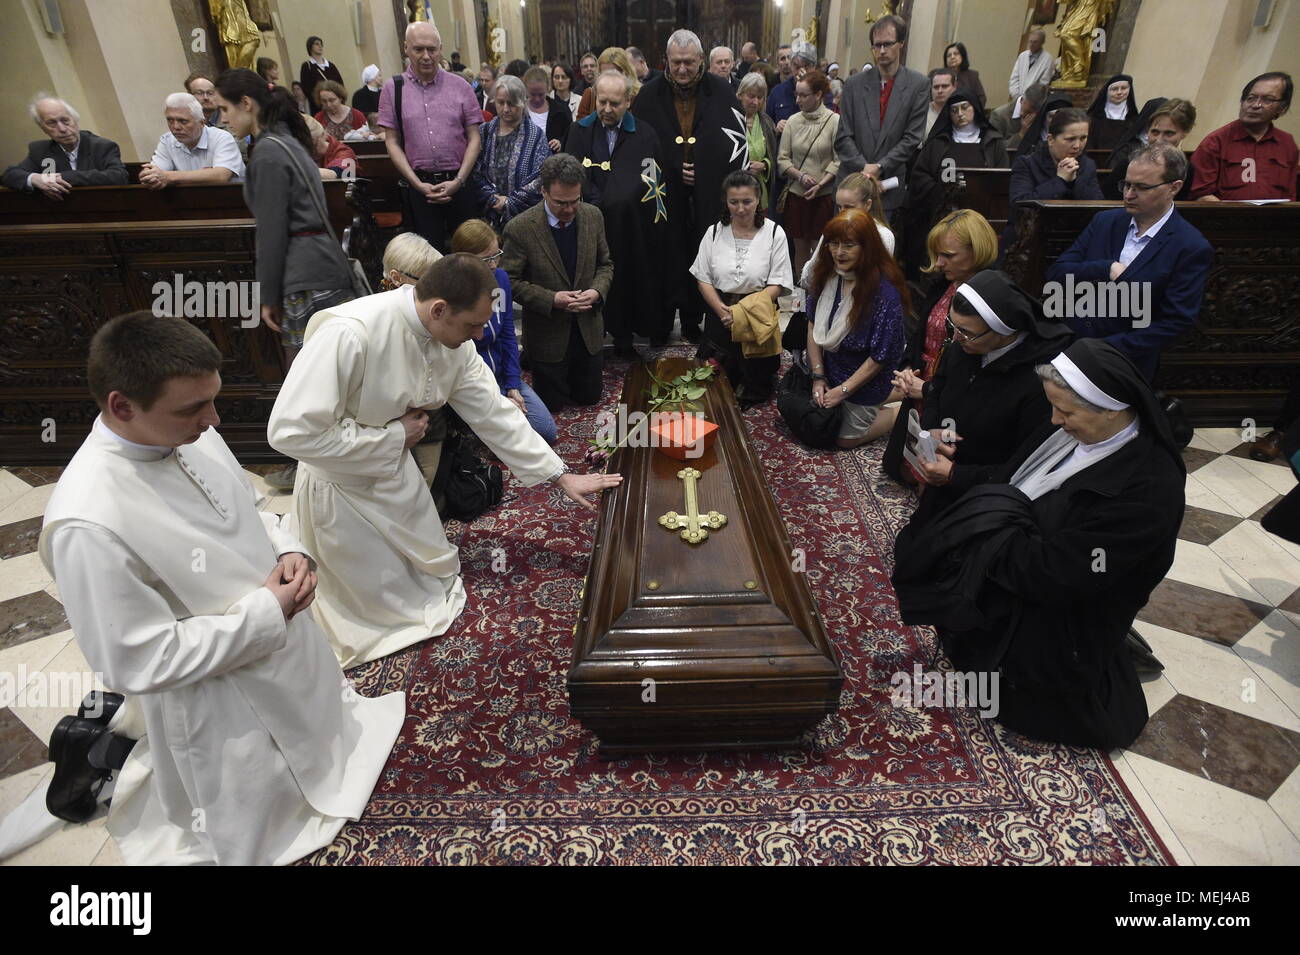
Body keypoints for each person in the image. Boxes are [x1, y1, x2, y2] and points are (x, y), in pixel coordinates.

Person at [39, 311, 404, 865]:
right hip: (222, 698)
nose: (212, 421)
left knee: (336, 741)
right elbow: (134, 661)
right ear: (121, 406)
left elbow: (248, 508)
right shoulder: (87, 522)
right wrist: (266, 613)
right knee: (272, 815)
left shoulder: (185, 432)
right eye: (192, 408)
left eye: (213, 400)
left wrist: (288, 549)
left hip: (288, 647)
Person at [268, 252, 619, 668]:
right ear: (438, 309)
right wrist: (394, 436)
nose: (477, 335)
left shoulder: (452, 340)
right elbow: (290, 432)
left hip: (395, 472)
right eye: (472, 324)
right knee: (375, 613)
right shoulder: (350, 333)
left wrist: (560, 476)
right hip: (340, 484)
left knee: (432, 581)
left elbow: (492, 409)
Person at [892, 338, 1186, 750]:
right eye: (1052, 406)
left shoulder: (1148, 489)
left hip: (1065, 606)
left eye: (1066, 411)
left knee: (1016, 695)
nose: (1053, 421)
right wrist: (967, 493)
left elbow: (1060, 574)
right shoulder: (1068, 434)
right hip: (1021, 563)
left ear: (1115, 410)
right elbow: (1008, 479)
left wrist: (982, 540)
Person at [215, 68, 355, 489]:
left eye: (224, 108)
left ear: (246, 104)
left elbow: (271, 231)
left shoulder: (269, 152)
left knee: (309, 379)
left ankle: (314, 468)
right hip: (325, 265)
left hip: (304, 274)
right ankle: (332, 462)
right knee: (331, 373)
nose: (221, 118)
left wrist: (267, 292)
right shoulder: (287, 142)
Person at [907, 269, 1072, 521]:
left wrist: (955, 475)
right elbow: (937, 391)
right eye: (952, 326)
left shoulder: (1041, 381)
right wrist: (933, 430)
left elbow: (1024, 465)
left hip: (989, 500)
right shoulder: (962, 347)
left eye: (966, 332)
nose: (955, 338)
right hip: (944, 483)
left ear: (1003, 330)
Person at [1046, 142, 1213, 381]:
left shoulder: (1190, 247)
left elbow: (1175, 322)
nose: (1128, 194)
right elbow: (1057, 273)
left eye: (1142, 187)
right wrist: (1104, 268)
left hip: (1125, 364)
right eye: (1126, 184)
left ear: (1174, 188)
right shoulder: (1105, 222)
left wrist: (1104, 350)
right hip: (1069, 348)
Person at [631, 29, 747, 344]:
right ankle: (661, 322)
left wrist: (705, 172)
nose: (682, 69)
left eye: (689, 63)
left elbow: (733, 144)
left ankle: (698, 320)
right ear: (665, 60)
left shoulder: (722, 92)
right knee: (665, 255)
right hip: (662, 196)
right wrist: (670, 171)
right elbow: (639, 146)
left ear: (700, 60)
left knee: (705, 255)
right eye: (676, 62)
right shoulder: (648, 95)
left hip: (708, 196)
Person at [881, 209, 999, 481]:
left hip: (953, 397)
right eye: (937, 255)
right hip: (923, 384)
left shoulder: (992, 295)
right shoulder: (942, 284)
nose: (938, 263)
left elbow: (981, 367)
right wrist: (909, 367)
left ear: (976, 251)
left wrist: (929, 390)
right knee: (903, 469)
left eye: (948, 256)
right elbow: (920, 333)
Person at [565, 70, 669, 355]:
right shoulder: (580, 130)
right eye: (602, 102)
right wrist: (602, 202)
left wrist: (622, 201)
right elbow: (573, 173)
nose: (607, 110)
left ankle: (624, 336)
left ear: (628, 101)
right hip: (587, 221)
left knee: (626, 280)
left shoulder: (645, 134)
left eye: (614, 103)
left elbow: (652, 181)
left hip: (631, 226)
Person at [501, 153, 614, 411]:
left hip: (588, 332)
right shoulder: (520, 229)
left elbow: (605, 264)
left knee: (589, 399)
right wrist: (552, 300)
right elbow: (510, 282)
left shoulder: (593, 216)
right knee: (552, 406)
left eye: (576, 201)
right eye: (561, 203)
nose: (570, 209)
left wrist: (597, 291)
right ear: (543, 191)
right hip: (548, 337)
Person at [804, 209, 908, 447]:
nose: (839, 253)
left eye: (849, 245)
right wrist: (818, 377)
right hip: (830, 368)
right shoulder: (824, 275)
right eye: (834, 244)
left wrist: (842, 391)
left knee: (843, 440)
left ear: (867, 248)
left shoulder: (884, 294)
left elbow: (878, 358)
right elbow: (811, 324)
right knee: (813, 422)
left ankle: (900, 408)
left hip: (867, 377)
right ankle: (892, 395)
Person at [691, 170, 794, 407]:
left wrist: (741, 312)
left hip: (757, 311)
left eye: (747, 201)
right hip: (721, 311)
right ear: (726, 202)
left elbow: (778, 283)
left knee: (756, 386)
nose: (740, 209)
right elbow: (703, 278)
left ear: (758, 200)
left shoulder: (775, 233)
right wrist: (722, 310)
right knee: (712, 382)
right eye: (733, 202)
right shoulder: (714, 231)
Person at [378, 22, 483, 251]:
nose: (426, 56)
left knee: (470, 254)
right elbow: (392, 141)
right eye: (418, 49)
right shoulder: (393, 89)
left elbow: (474, 137)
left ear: (440, 49)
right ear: (406, 48)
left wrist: (459, 181)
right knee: (426, 259)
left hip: (459, 182)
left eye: (432, 49)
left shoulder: (460, 86)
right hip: (418, 185)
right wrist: (417, 184)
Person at [452, 219, 558, 443]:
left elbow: (508, 334)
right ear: (464, 259)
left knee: (545, 430)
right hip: (474, 386)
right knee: (514, 437)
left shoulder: (500, 279)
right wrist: (497, 399)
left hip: (502, 375)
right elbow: (459, 362)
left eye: (496, 255)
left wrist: (512, 385)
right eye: (485, 259)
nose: (493, 265)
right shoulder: (453, 293)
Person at [835, 13, 929, 215]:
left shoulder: (918, 85)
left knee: (881, 244)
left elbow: (912, 137)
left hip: (888, 186)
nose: (882, 51)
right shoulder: (854, 84)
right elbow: (843, 136)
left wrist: (880, 166)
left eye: (887, 44)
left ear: (901, 43)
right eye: (877, 45)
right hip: (851, 184)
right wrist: (865, 168)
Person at [907, 93, 1008, 273]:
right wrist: (940, 193)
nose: (960, 113)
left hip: (982, 215)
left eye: (965, 108)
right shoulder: (938, 142)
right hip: (942, 215)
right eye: (954, 110)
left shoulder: (993, 142)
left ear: (975, 109)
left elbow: (1002, 179)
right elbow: (920, 175)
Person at [1003, 107, 1101, 250]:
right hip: (1029, 242)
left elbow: (1097, 207)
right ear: (1050, 139)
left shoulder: (1088, 165)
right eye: (1070, 139)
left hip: (1072, 241)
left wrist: (1074, 181)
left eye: (1083, 138)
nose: (1077, 146)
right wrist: (1060, 180)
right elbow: (1019, 205)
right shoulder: (1027, 163)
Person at [1190, 71, 1297, 201]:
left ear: (1282, 108)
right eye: (1250, 98)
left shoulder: (1287, 143)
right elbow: (1201, 195)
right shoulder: (1216, 142)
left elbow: (1290, 195)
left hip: (1276, 219)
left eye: (1267, 99)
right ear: (1242, 102)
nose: (1255, 105)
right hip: (1224, 219)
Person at [778, 70, 841, 278]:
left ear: (819, 95)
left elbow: (838, 159)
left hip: (823, 196)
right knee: (799, 250)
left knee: (821, 250)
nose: (798, 100)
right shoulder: (793, 121)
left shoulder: (833, 121)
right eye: (797, 95)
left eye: (804, 95)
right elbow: (783, 159)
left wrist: (820, 184)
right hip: (797, 195)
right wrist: (800, 176)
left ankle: (820, 294)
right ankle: (801, 295)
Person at [3, 94, 127, 196]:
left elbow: (119, 176)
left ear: (75, 119)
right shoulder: (40, 150)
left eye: (65, 120)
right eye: (52, 123)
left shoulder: (102, 146)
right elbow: (9, 175)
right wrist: (34, 179)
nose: (62, 129)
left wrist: (64, 177)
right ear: (43, 128)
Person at [470, 75, 550, 231]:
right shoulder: (485, 131)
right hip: (489, 217)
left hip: (525, 220)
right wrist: (492, 199)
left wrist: (509, 203)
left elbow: (540, 178)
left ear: (522, 102)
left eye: (511, 103)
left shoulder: (535, 135)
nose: (506, 109)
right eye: (501, 102)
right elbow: (475, 171)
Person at [801, 172, 895, 294]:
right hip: (829, 297)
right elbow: (809, 279)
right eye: (839, 207)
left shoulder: (883, 235)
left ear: (867, 205)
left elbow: (873, 281)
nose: (842, 213)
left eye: (849, 207)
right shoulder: (833, 230)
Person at [138, 92, 245, 188]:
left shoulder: (221, 138)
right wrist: (149, 176)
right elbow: (157, 173)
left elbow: (221, 175)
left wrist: (168, 176)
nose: (176, 127)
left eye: (183, 121)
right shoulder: (167, 141)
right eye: (170, 120)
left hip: (228, 202)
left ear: (201, 123)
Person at [1104, 98, 1196, 200]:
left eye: (1169, 133)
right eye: (1155, 132)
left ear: (1185, 132)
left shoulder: (1187, 170)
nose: (1159, 140)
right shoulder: (1127, 164)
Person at [737, 71, 779, 211]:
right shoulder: (731, 120)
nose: (755, 101)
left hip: (759, 192)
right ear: (740, 95)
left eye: (760, 97)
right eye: (751, 96)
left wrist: (764, 165)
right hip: (736, 188)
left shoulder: (767, 122)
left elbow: (774, 155)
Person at [576, 47, 640, 120]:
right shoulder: (591, 95)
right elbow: (580, 128)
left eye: (614, 74)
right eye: (605, 74)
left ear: (625, 73)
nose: (609, 80)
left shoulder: (639, 96)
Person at [1084, 73, 1139, 152]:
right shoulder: (1093, 117)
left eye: (1123, 88)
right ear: (1107, 91)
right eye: (1114, 89)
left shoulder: (1134, 118)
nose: (1119, 92)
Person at [767, 47, 816, 133]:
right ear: (792, 66)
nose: (801, 71)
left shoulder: (821, 91)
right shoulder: (777, 92)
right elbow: (766, 125)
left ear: (813, 67)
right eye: (797, 67)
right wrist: (776, 128)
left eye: (806, 67)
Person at [523, 66, 571, 152]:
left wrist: (561, 142)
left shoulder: (561, 111)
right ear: (525, 90)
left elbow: (571, 136)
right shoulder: (520, 112)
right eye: (533, 94)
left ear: (548, 88)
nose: (537, 99)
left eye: (541, 94)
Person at [992, 80, 1049, 150]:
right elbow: (994, 149)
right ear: (1022, 100)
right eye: (1027, 111)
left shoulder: (1043, 116)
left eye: (1033, 113)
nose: (1029, 116)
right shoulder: (999, 116)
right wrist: (1021, 134)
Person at [1008, 29, 1053, 105]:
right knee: (999, 113)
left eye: (1035, 42)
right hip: (1017, 98)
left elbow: (1043, 84)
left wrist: (1028, 100)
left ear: (1042, 42)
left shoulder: (1048, 59)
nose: (1031, 44)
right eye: (1030, 41)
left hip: (1033, 102)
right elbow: (1014, 78)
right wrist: (1016, 96)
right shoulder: (1023, 56)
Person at [304, 115, 357, 179]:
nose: (309, 151)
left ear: (323, 135)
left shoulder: (343, 151)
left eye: (313, 145)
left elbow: (334, 173)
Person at [299, 35, 343, 110]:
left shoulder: (331, 65)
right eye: (316, 44)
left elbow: (340, 84)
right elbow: (307, 88)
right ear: (310, 47)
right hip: (319, 107)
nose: (320, 46)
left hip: (336, 104)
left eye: (321, 44)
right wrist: (320, 103)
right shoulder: (307, 66)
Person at [943, 42, 986, 111]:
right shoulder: (939, 76)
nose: (952, 57)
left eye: (956, 54)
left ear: (963, 56)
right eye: (949, 55)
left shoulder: (972, 76)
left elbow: (981, 98)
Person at [922, 69, 957, 142]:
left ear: (954, 87)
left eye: (945, 86)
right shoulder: (921, 112)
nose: (940, 91)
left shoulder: (961, 112)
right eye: (936, 87)